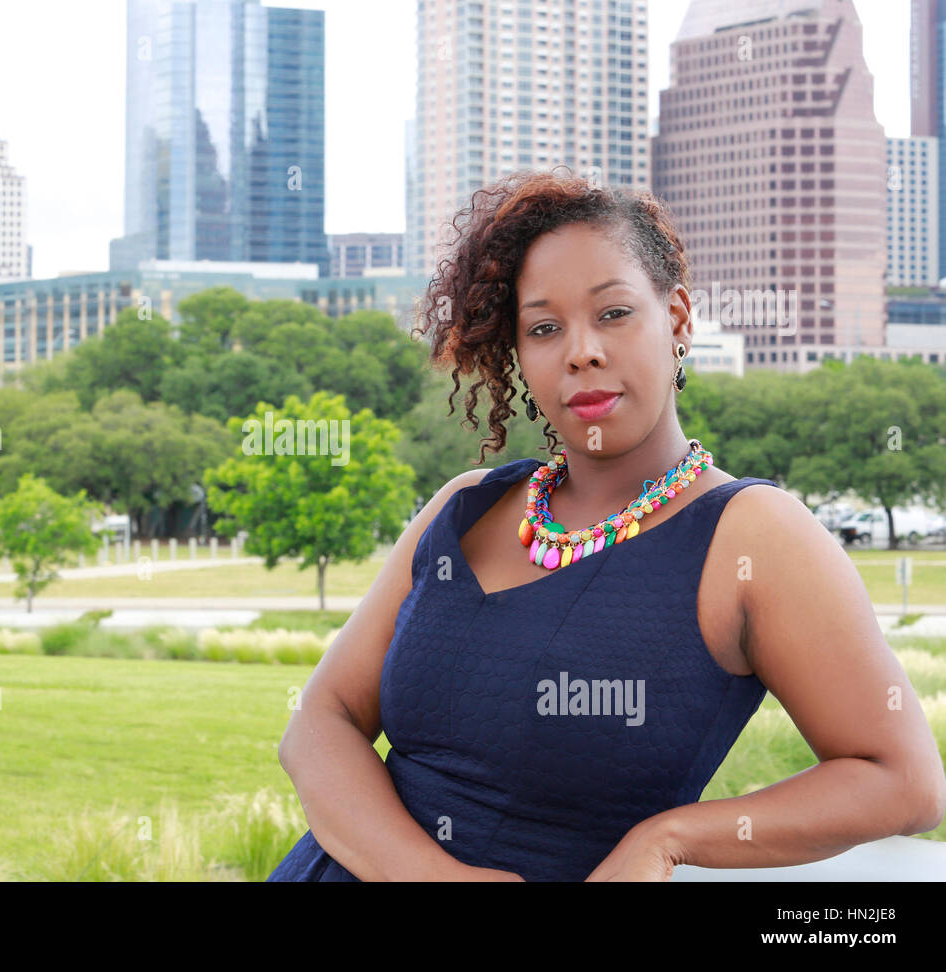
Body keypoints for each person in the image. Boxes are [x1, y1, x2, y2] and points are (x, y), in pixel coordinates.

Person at [267, 170, 946, 881]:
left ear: (678, 320)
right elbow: (320, 721)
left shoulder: (752, 536)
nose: (580, 350)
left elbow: (901, 778)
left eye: (613, 314)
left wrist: (669, 839)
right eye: (543, 328)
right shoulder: (465, 508)